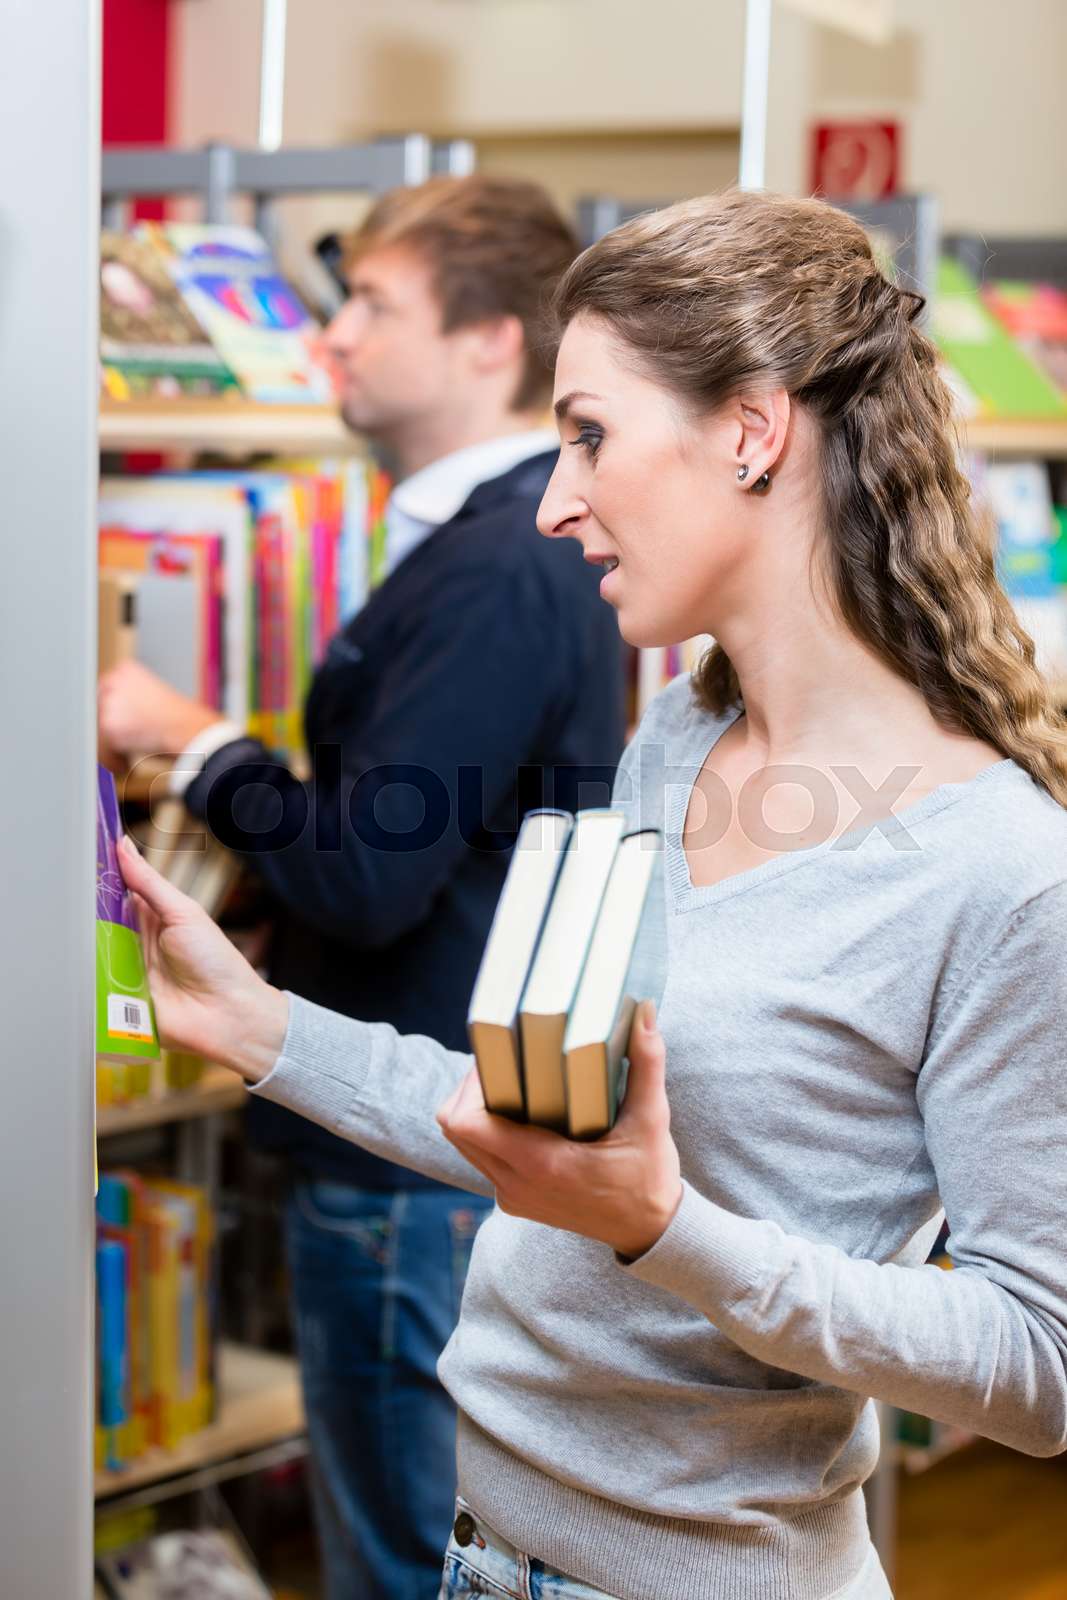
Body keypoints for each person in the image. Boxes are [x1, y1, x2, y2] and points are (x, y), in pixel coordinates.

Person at [115, 189, 1067, 1600]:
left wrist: (664, 1232)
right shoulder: (677, 732)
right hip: (485, 1555)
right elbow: (540, 1132)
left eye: (590, 435)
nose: (555, 501)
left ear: (751, 431)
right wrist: (261, 1029)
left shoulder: (1001, 869)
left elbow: (1037, 1370)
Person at [98, 176, 624, 1600]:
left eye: (373, 306)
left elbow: (372, 870)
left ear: (487, 343)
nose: (330, 342)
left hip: (412, 1153)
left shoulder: (504, 564)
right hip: (428, 1126)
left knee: (400, 1561)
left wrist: (191, 742)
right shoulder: (500, 541)